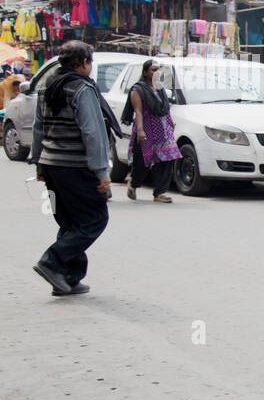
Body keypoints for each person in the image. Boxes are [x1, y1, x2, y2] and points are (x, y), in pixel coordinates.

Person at [30, 41, 118, 296]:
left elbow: (38, 126)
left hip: (52, 165)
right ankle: (52, 261)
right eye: (89, 62)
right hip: (76, 166)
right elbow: (93, 132)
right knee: (95, 219)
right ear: (83, 63)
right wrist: (102, 172)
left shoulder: (48, 86)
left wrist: (38, 161)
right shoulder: (81, 88)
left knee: (70, 222)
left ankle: (67, 277)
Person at [125, 60, 181, 203]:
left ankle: (160, 193)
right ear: (145, 72)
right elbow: (138, 112)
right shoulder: (138, 90)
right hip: (146, 130)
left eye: (158, 69)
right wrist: (140, 131)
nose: (156, 72)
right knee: (142, 163)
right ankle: (134, 183)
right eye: (153, 70)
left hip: (163, 131)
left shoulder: (160, 88)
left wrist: (170, 122)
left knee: (167, 159)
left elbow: (165, 108)